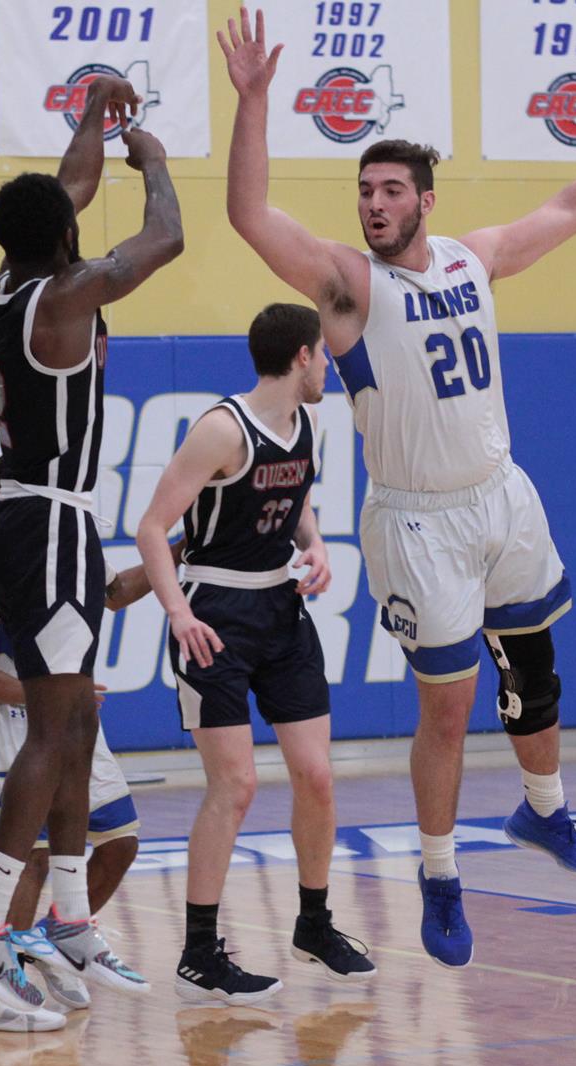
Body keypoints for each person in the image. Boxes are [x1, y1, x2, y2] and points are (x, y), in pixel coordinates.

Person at [218, 9, 576, 965]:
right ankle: (441, 875)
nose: (373, 203)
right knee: (446, 705)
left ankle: (545, 812)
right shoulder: (345, 287)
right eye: (364, 189)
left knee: (533, 664)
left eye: (391, 189)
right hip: (416, 521)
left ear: (426, 200)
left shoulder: (471, 258)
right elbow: (248, 216)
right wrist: (252, 104)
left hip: (501, 493)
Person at [0, 75, 184, 1012]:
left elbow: (70, 186)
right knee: (52, 725)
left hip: (48, 516)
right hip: (44, 517)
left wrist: (94, 119)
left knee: (76, 719)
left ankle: (70, 919)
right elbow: (163, 240)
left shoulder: (14, 276)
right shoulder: (64, 295)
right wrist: (152, 160)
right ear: (66, 239)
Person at [136, 303, 376, 1004]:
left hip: (281, 609)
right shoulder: (220, 429)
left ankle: (314, 923)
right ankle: (199, 949)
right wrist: (176, 612)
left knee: (317, 775)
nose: (329, 366)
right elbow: (152, 528)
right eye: (323, 357)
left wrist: (317, 545)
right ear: (302, 355)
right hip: (215, 613)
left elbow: (296, 497)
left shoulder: (305, 423)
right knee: (235, 785)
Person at [0, 482, 155, 1031]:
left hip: (71, 703)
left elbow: (119, 589)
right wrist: (40, 694)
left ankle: (48, 943)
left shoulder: (81, 550)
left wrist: (177, 548)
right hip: (11, 708)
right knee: (32, 856)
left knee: (121, 840)